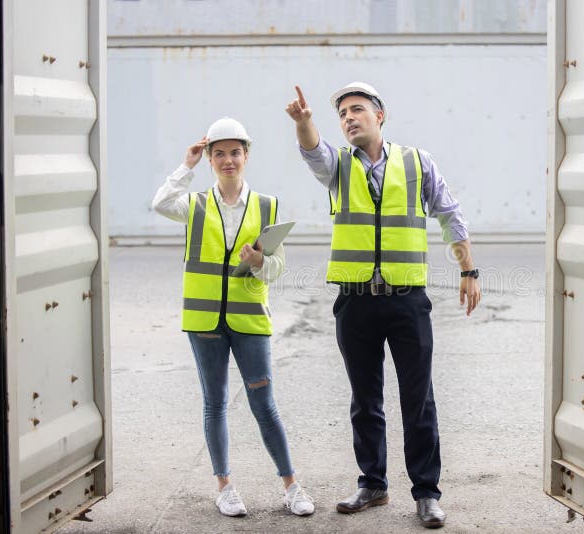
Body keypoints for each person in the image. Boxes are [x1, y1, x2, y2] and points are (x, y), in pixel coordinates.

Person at [285, 83, 481, 529]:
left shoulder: (416, 162)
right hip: (354, 302)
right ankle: (372, 483)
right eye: (342, 114)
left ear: (381, 115)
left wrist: (469, 270)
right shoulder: (337, 166)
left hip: (407, 300)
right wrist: (302, 122)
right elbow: (313, 150)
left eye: (358, 110)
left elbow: (450, 213)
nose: (349, 118)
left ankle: (427, 493)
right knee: (365, 399)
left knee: (418, 398)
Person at [152, 117, 315, 519]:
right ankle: (224, 487)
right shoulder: (193, 205)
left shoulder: (266, 206)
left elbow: (277, 269)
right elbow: (159, 203)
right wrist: (185, 166)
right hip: (204, 321)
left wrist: (261, 261)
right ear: (210, 158)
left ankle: (291, 485)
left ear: (246, 156)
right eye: (219, 153)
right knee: (216, 403)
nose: (228, 160)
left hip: (249, 319)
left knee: (265, 404)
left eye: (235, 152)